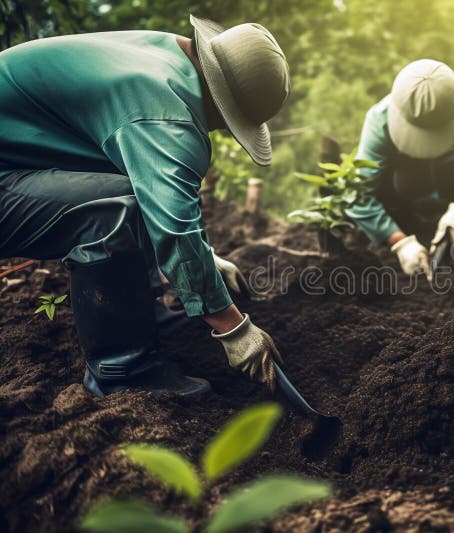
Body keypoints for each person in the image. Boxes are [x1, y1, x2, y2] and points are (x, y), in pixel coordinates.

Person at [0, 16, 290, 398]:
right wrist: (233, 327)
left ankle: (140, 316)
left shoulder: (162, 53)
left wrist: (207, 261)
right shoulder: (166, 112)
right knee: (115, 209)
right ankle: (122, 372)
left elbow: (153, 188)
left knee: (129, 196)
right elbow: (173, 226)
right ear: (225, 106)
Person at [346, 59, 454, 279]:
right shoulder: (379, 122)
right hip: (407, 195)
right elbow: (360, 193)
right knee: (365, 231)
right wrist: (398, 241)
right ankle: (411, 224)